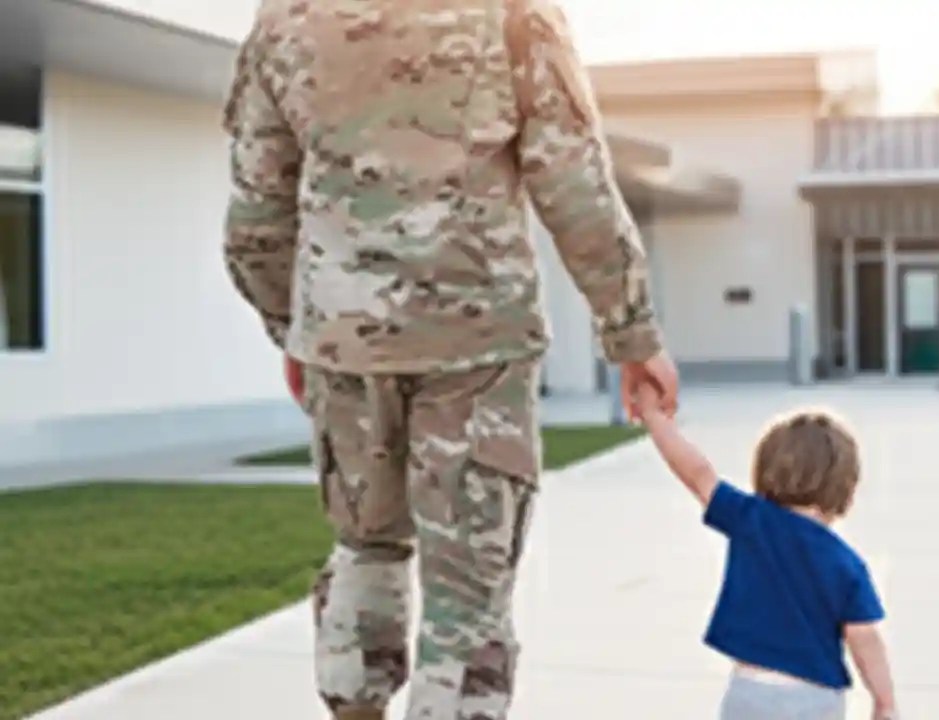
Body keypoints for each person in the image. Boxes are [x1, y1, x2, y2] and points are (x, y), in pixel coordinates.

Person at [221, 0, 678, 718]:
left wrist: (298, 330)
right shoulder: (514, 13)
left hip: (345, 349)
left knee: (364, 547)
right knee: (467, 596)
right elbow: (574, 183)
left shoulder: (286, 19)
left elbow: (255, 217)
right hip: (479, 352)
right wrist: (633, 332)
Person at [634, 385, 899, 720]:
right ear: (845, 486)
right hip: (814, 700)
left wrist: (655, 418)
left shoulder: (749, 520)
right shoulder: (846, 565)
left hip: (750, 692)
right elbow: (864, 637)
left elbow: (698, 474)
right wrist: (884, 700)